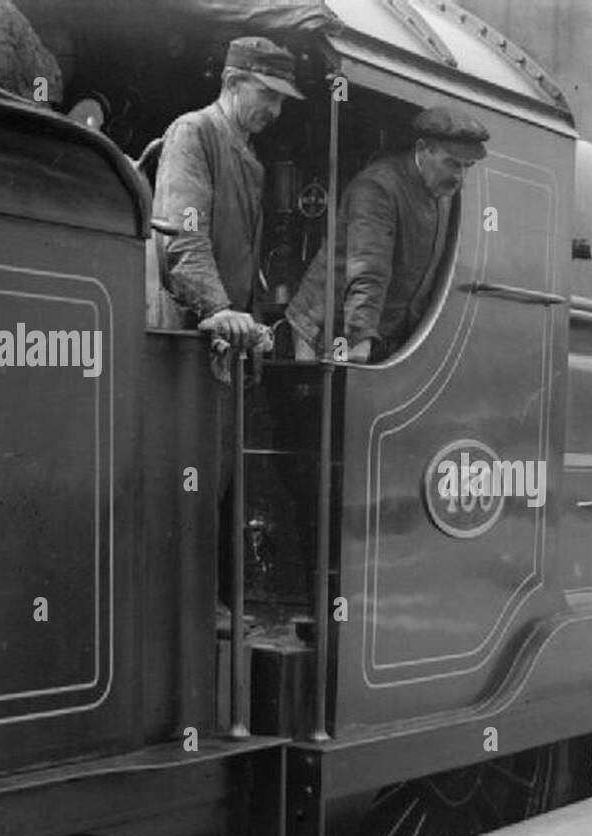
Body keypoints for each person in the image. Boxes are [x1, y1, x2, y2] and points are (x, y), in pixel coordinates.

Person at [148, 37, 303, 611]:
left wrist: (250, 328)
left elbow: (243, 265)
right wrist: (217, 310)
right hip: (185, 344)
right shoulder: (195, 133)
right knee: (185, 487)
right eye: (268, 95)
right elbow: (181, 236)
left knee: (214, 485)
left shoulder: (247, 156)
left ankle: (200, 613)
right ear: (234, 82)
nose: (277, 111)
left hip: (221, 349)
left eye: (284, 100)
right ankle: (179, 618)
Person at [284, 105, 489, 364]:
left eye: (466, 166)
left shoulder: (443, 189)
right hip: (326, 331)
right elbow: (368, 267)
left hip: (380, 333)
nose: (459, 176)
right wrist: (359, 338)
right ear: (423, 149)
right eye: (452, 163)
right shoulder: (379, 187)